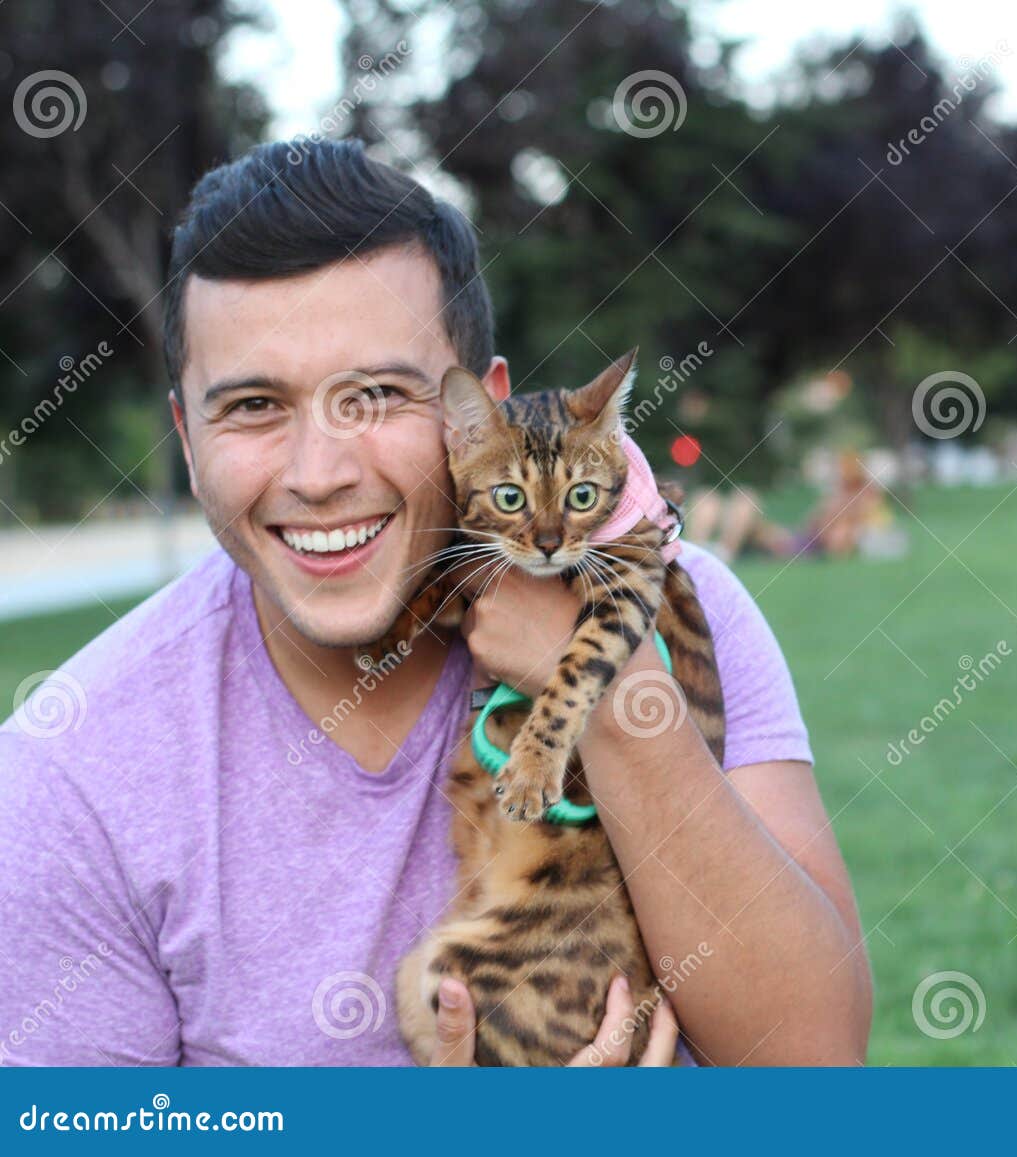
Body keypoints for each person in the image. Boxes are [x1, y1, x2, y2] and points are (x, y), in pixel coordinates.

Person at [0, 141, 872, 1066]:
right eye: (254, 405)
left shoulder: (685, 608)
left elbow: (816, 1066)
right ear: (185, 431)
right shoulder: (72, 772)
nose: (319, 474)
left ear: (479, 421)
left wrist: (617, 706)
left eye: (376, 394)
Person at [688, 451, 895, 562]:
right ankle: (703, 551)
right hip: (797, 539)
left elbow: (837, 545)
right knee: (707, 497)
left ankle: (721, 553)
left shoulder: (864, 501)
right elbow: (812, 523)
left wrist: (840, 512)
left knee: (746, 499)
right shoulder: (840, 497)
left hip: (798, 548)